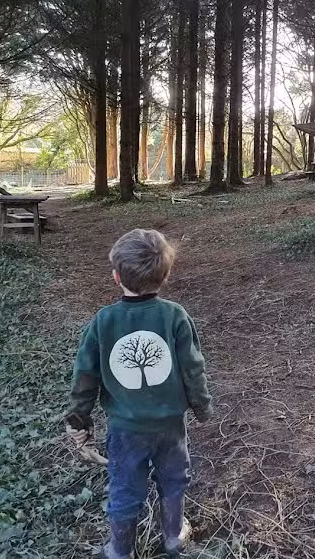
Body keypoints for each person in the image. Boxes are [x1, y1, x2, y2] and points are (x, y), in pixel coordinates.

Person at [65, 228, 213, 559]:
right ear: (166, 274)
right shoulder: (174, 316)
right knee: (173, 479)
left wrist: (79, 417)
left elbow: (85, 374)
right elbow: (193, 368)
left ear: (116, 276)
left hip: (125, 429)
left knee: (125, 487)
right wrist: (202, 406)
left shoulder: (103, 321)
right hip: (170, 427)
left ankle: (120, 551)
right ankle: (173, 538)